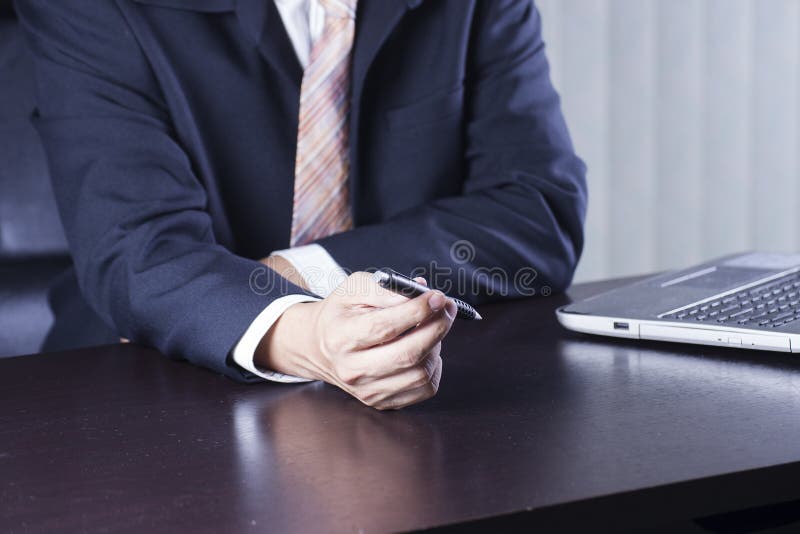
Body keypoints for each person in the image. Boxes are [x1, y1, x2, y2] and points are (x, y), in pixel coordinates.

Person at [16, 0, 587, 409]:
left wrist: (290, 274)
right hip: (140, 391)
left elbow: (540, 212)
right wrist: (311, 335)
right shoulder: (94, 10)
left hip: (422, 389)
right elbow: (139, 252)